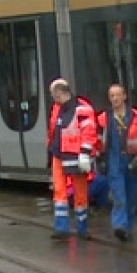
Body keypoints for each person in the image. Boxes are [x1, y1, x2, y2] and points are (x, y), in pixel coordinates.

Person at [96, 83, 137, 242]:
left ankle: (127, 227)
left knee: (132, 196)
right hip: (113, 161)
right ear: (109, 99)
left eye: (117, 95)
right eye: (112, 96)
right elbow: (97, 139)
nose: (115, 98)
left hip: (133, 161)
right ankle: (120, 226)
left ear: (124, 96)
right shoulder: (103, 119)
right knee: (119, 195)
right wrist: (98, 157)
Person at [46, 78, 97, 240]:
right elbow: (53, 131)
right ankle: (61, 228)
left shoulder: (82, 108)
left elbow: (89, 132)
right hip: (59, 155)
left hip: (76, 157)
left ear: (60, 93)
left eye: (53, 94)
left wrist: (84, 153)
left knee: (80, 194)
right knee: (59, 193)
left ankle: (82, 228)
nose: (52, 98)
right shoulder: (57, 108)